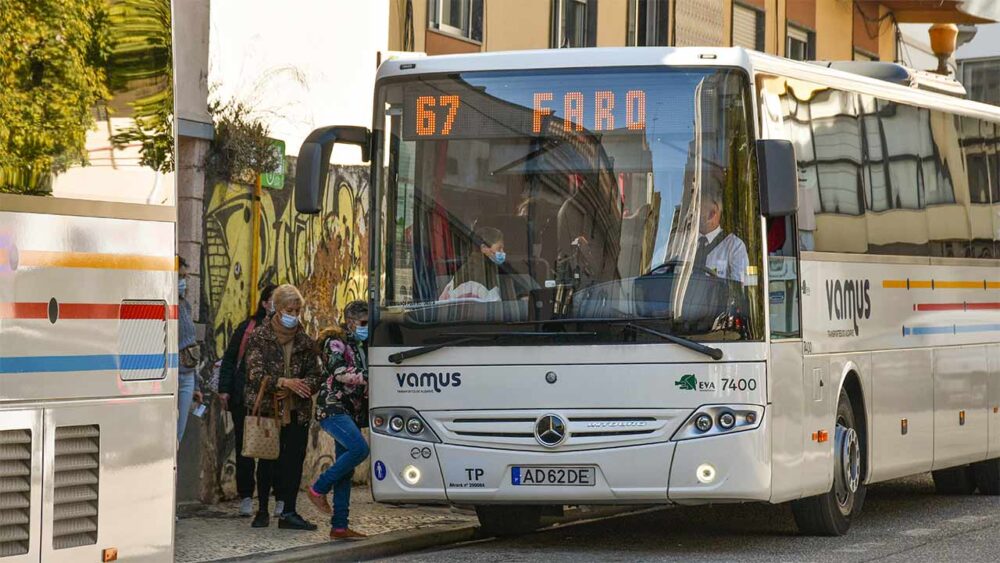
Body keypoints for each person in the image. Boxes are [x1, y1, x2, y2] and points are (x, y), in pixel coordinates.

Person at [244, 284, 322, 530]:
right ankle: (263, 510)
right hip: (270, 409)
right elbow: (254, 373)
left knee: (293, 461)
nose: (294, 314)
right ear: (277, 308)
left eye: (297, 310)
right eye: (290, 309)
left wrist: (304, 385)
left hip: (297, 410)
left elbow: (316, 374)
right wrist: (282, 382)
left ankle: (289, 510)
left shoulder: (305, 340)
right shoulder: (260, 336)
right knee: (266, 460)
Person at [307, 300, 371, 541]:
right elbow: (340, 373)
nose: (367, 327)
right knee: (359, 449)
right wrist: (371, 374)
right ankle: (318, 488)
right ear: (351, 321)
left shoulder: (362, 344)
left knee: (346, 469)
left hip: (351, 411)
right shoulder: (336, 342)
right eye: (363, 323)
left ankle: (340, 527)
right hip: (332, 407)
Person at [218, 284, 277, 517]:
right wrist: (224, 390)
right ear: (264, 303)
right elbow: (230, 360)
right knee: (245, 448)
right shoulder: (248, 328)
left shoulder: (285, 329)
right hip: (243, 398)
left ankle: (267, 498)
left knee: (269, 449)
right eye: (273, 300)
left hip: (271, 400)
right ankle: (245, 496)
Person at [694, 184, 749, 285]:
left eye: (697, 208)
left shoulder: (734, 247)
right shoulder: (681, 242)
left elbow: (739, 290)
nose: (692, 213)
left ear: (712, 214)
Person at [438, 226, 506, 302]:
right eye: (499, 248)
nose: (503, 252)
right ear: (483, 248)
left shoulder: (474, 268)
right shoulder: (476, 274)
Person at [177, 257, 202, 445]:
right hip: (173, 375)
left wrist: (196, 387)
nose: (183, 282)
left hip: (187, 376)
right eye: (180, 277)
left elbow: (191, 344)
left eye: (185, 277)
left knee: (179, 434)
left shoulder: (184, 305)